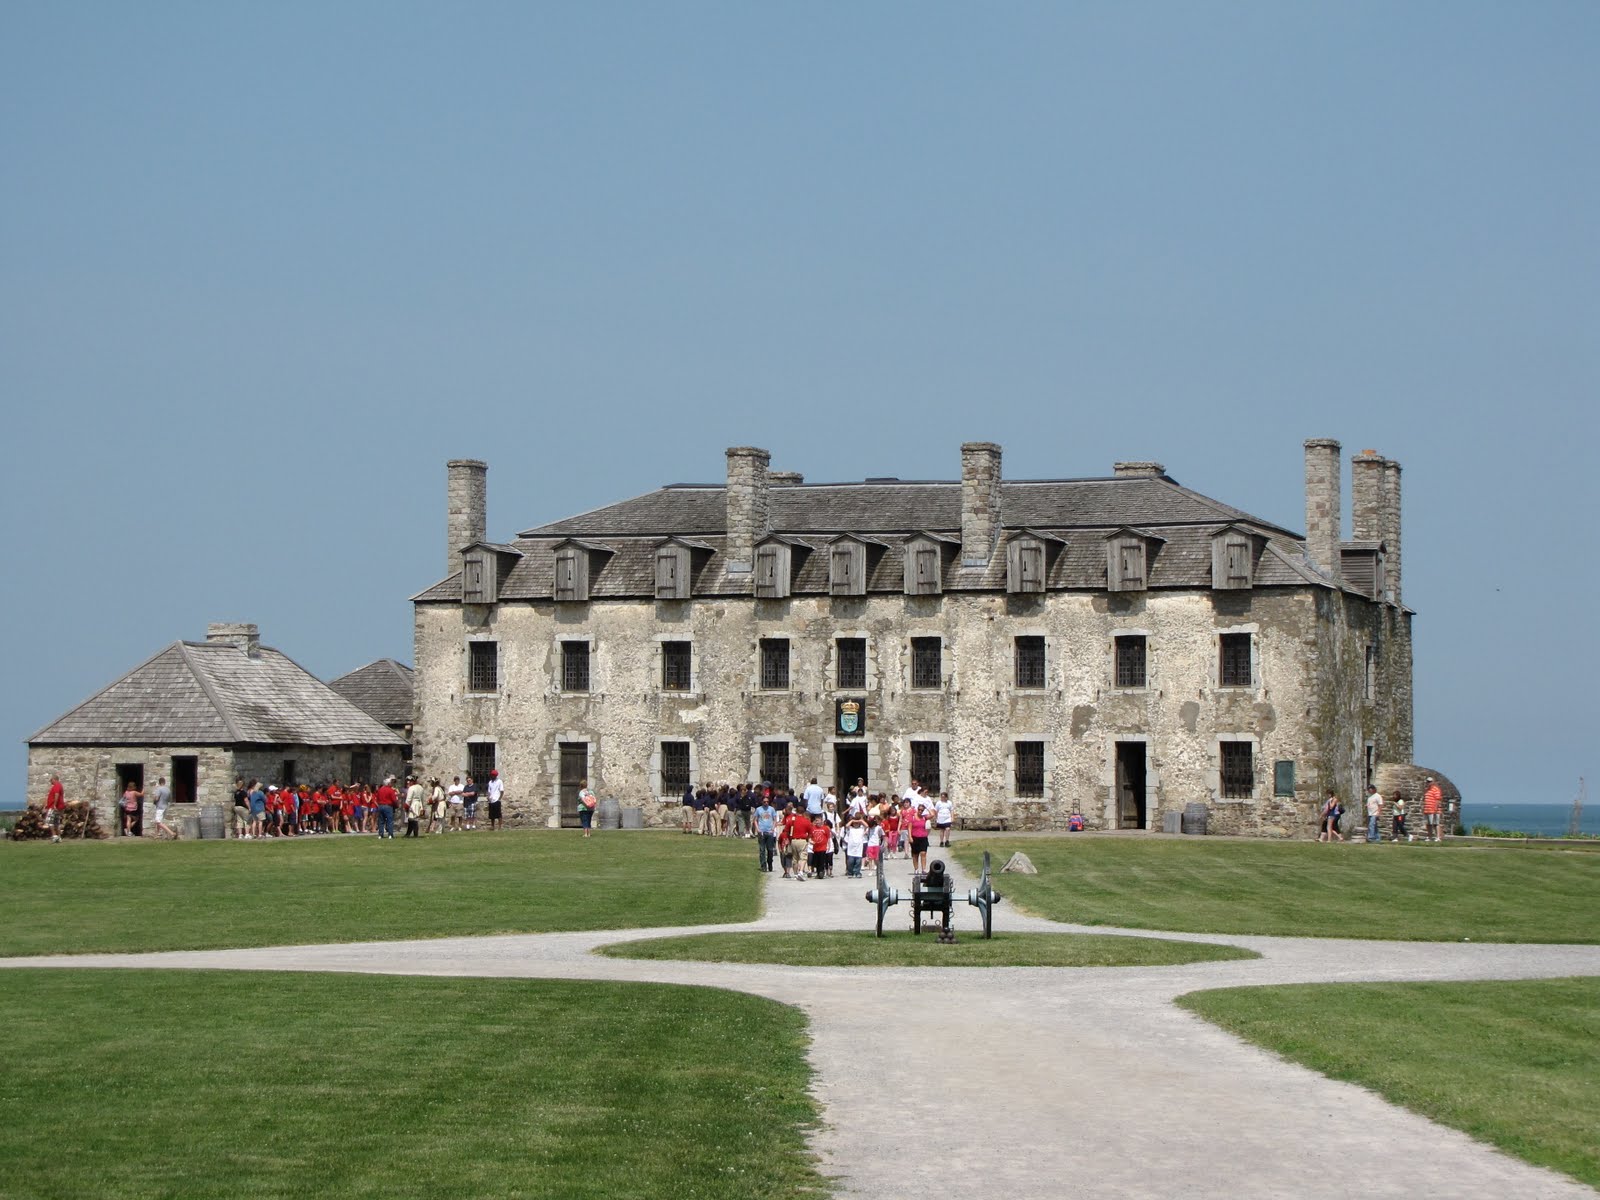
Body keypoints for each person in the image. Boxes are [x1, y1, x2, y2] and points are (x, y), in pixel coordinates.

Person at [753, 793, 778, 872]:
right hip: (762, 831)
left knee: (770, 850)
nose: (766, 803)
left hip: (769, 832)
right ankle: (763, 865)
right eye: (764, 802)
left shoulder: (771, 809)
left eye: (767, 801)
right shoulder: (758, 809)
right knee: (762, 850)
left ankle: (770, 863)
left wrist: (773, 829)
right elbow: (755, 820)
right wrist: (758, 829)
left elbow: (774, 819)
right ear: (762, 802)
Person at [907, 803, 931, 875]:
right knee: (915, 854)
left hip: (923, 837)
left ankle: (924, 869)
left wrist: (927, 808)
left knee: (923, 853)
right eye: (919, 809)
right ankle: (916, 869)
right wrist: (910, 837)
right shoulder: (913, 817)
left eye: (922, 810)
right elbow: (909, 827)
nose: (920, 811)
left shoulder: (924, 817)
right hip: (915, 837)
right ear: (917, 809)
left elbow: (932, 815)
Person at [374, 776, 398, 840]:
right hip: (388, 806)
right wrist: (396, 805)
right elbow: (394, 799)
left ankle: (380, 834)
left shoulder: (380, 790)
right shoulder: (390, 790)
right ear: (388, 783)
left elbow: (377, 798)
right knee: (389, 821)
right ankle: (390, 834)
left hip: (380, 805)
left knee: (381, 821)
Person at [43, 775, 65, 843]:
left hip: (54, 807)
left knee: (49, 821)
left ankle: (54, 836)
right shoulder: (59, 785)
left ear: (54, 779)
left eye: (51, 780)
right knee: (56, 823)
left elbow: (56, 794)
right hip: (58, 807)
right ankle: (59, 837)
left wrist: (54, 805)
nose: (50, 781)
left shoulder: (57, 785)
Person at [1422, 778, 1444, 843]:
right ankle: (1430, 836)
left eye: (1429, 781)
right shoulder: (1427, 790)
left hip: (1434, 810)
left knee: (1436, 824)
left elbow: (1438, 800)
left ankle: (1438, 837)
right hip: (1428, 810)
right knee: (1429, 824)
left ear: (1433, 782)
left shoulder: (1436, 789)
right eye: (1427, 781)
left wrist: (1435, 809)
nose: (1428, 783)